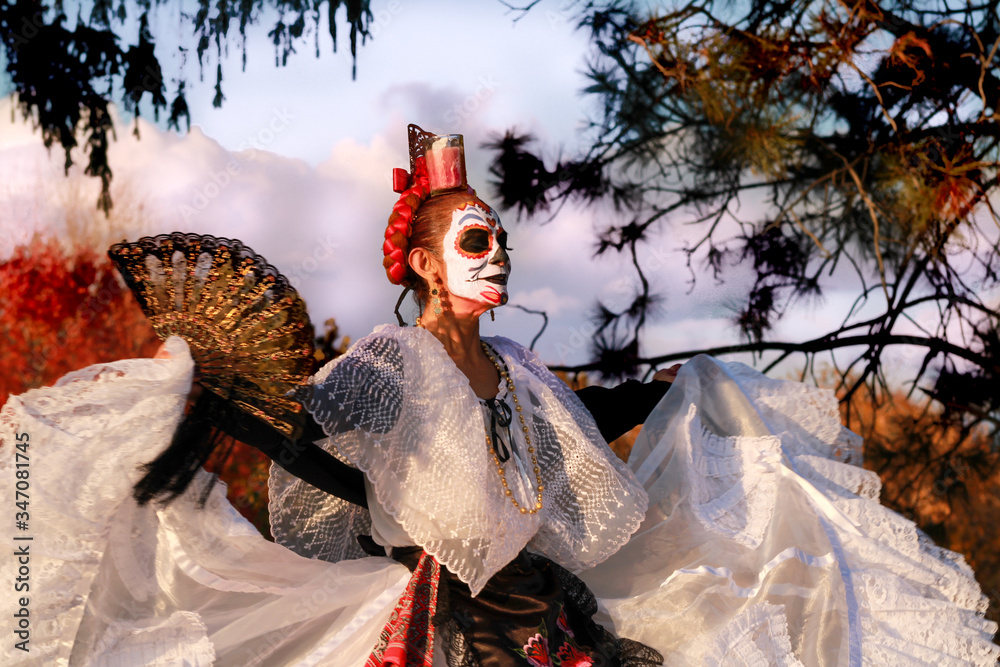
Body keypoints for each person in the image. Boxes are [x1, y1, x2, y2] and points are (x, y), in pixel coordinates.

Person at [2, 125, 997, 666]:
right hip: (445, 623)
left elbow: (578, 436)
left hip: (542, 617)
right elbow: (310, 443)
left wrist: (675, 385)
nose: (498, 253)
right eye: (476, 240)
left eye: (500, 238)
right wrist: (223, 400)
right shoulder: (390, 363)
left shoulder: (519, 371)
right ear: (429, 266)